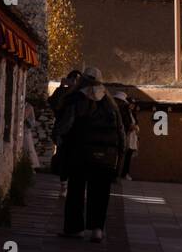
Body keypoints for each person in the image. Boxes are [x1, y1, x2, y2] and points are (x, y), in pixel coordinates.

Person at [49, 65, 125, 241]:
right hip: (106, 156)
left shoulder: (76, 100)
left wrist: (58, 140)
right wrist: (119, 157)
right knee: (100, 192)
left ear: (82, 80)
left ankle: (75, 229)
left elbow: (64, 124)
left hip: (80, 154)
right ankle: (97, 230)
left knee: (76, 190)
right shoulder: (110, 104)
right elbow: (120, 131)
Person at [111, 90, 138, 180]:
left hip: (126, 136)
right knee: (117, 156)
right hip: (119, 136)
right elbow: (126, 124)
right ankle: (114, 174)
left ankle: (117, 174)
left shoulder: (127, 113)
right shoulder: (120, 112)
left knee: (121, 156)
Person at [22, 100, 41, 170]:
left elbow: (32, 122)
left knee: (28, 148)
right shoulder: (19, 105)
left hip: (26, 131)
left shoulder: (29, 107)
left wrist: (26, 120)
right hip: (20, 131)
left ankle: (29, 166)